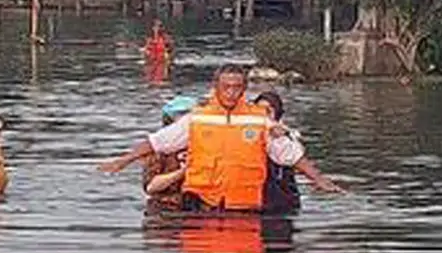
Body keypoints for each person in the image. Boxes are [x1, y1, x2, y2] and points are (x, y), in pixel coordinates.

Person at [99, 64, 329, 213]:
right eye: (226, 87)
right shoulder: (197, 118)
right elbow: (157, 142)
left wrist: (319, 180)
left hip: (246, 208)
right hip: (202, 206)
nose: (231, 92)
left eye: (237, 87)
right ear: (216, 87)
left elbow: (291, 155)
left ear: (244, 89)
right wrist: (123, 160)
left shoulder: (260, 120)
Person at [251, 90, 344, 212]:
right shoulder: (248, 132)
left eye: (268, 111)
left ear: (277, 114)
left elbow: (296, 159)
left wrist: (322, 182)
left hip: (280, 199)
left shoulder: (283, 137)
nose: (264, 116)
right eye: (259, 111)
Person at [142, 95, 198, 213]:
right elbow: (151, 187)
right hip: (166, 208)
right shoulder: (159, 148)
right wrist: (182, 172)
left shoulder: (206, 143)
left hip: (199, 207)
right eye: (182, 116)